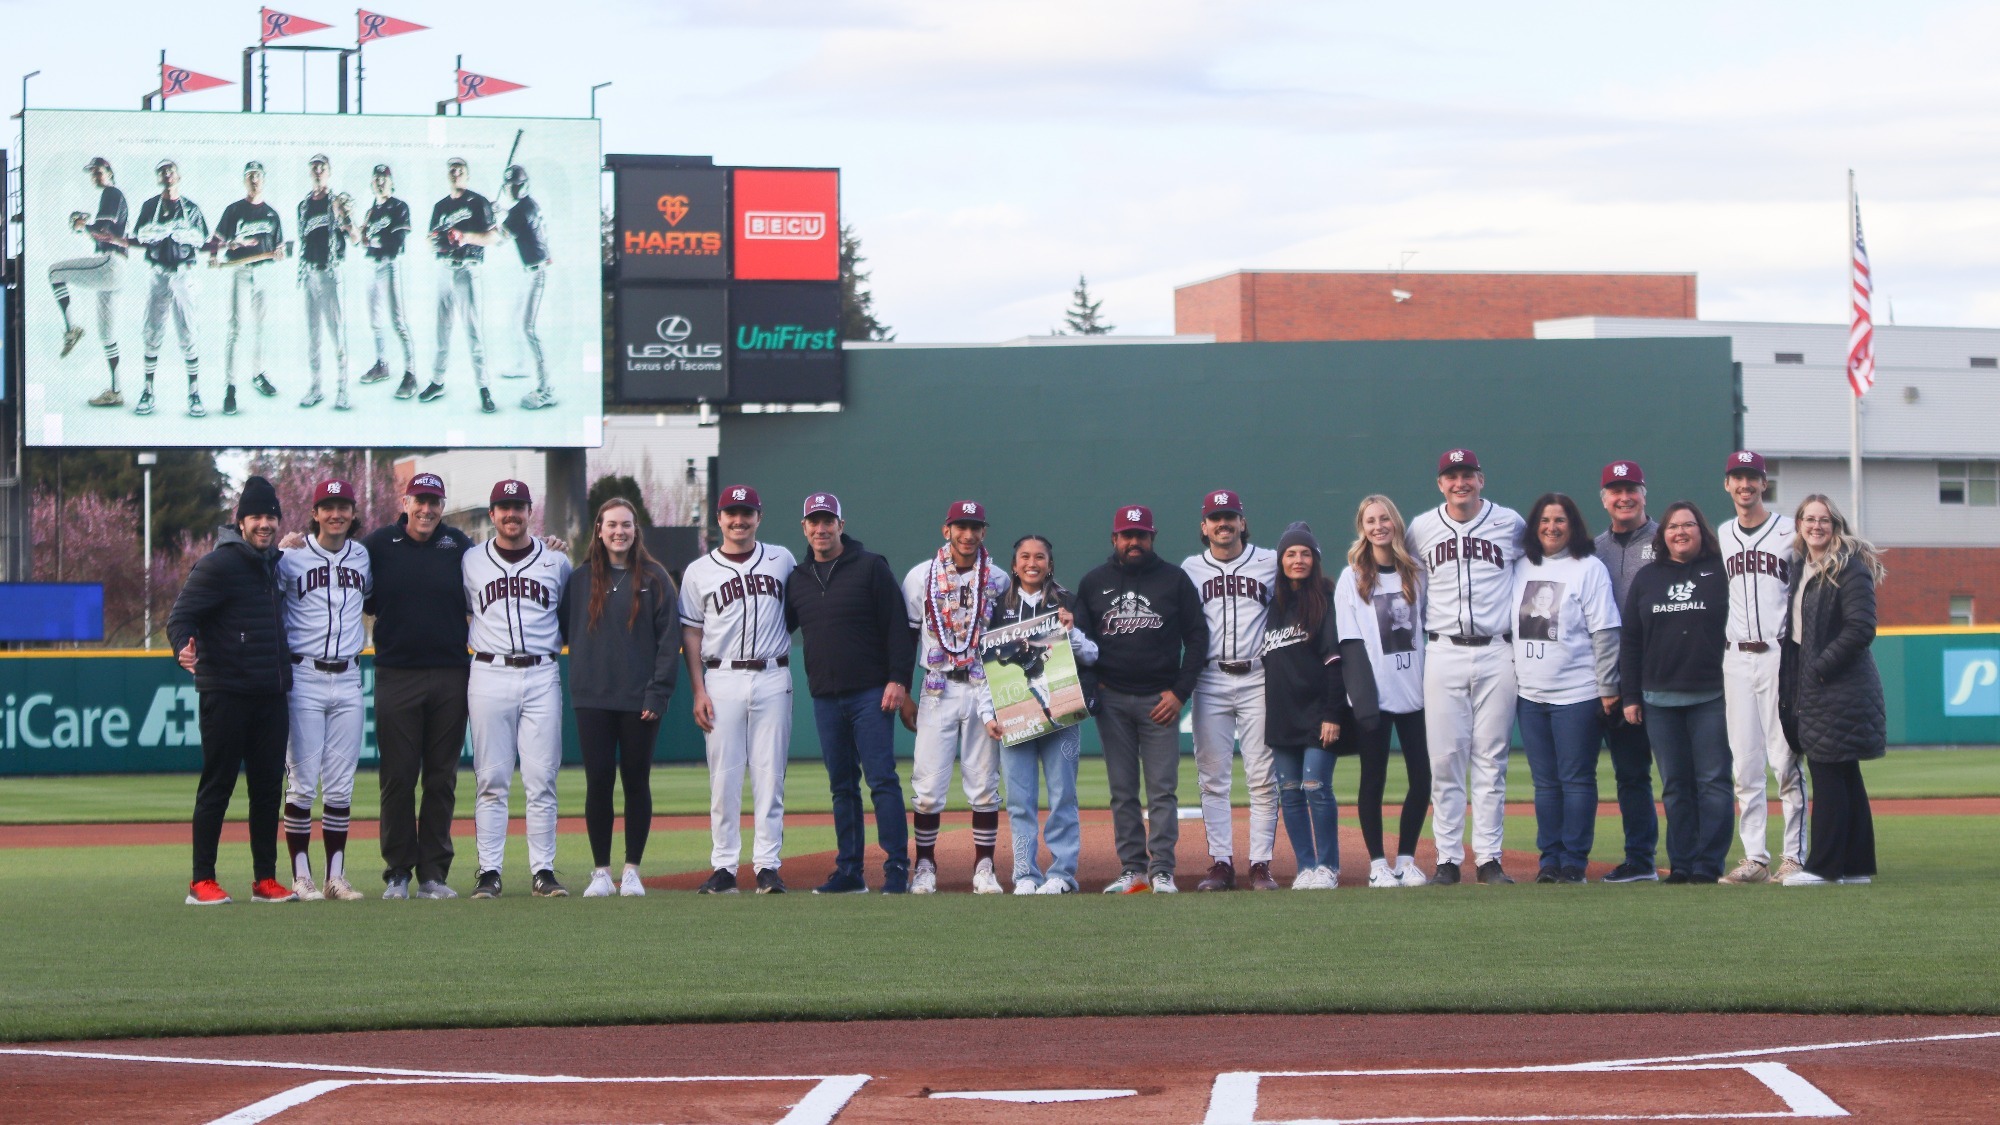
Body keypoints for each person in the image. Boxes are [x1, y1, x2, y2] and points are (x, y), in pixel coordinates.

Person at [168, 476, 297, 905]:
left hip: (271, 692)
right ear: (240, 522)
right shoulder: (218, 564)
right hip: (226, 691)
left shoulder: (275, 561)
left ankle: (265, 880)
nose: (264, 524)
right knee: (217, 787)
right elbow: (180, 618)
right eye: (256, 516)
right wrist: (182, 649)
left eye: (270, 516)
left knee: (266, 791)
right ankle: (200, 880)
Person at [1405, 448, 1526, 885]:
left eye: (1468, 475)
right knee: (1445, 760)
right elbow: (1411, 589)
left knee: (1492, 760)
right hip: (1442, 649)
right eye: (1452, 476)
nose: (1461, 483)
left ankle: (1490, 857)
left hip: (1497, 650)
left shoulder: (1511, 523)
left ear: (1482, 479)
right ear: (1440, 484)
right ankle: (1448, 859)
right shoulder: (1421, 528)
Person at [784, 492, 914, 895]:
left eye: (828, 521)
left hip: (871, 694)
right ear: (804, 527)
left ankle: (895, 870)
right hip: (825, 696)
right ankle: (850, 871)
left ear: (841, 524)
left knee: (881, 781)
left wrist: (899, 680)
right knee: (841, 785)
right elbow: (781, 626)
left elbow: (898, 626)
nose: (820, 529)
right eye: (813, 522)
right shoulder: (798, 579)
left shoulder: (870, 566)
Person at [1075, 505, 1208, 894]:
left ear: (1152, 538)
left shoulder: (1174, 580)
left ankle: (1162, 869)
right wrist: (1094, 686)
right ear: (1114, 539)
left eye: (1141, 535)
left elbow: (1197, 639)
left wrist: (1180, 692)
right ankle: (1133, 868)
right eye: (1127, 535)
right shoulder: (1093, 582)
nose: (1134, 542)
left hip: (1159, 701)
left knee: (1162, 789)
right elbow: (1078, 643)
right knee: (1122, 790)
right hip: (1113, 700)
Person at [363, 471, 475, 900]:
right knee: (398, 776)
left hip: (450, 672)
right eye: (420, 500)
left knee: (441, 778)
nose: (427, 509)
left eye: (435, 501)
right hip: (397, 674)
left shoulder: (460, 546)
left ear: (442, 505)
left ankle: (433, 874)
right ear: (405, 501)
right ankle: (397, 872)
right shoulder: (377, 545)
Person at [680, 485, 797, 894]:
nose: (739, 520)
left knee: (770, 777)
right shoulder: (699, 571)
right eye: (732, 513)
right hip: (722, 676)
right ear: (719, 519)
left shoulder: (782, 559)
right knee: (724, 778)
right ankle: (725, 866)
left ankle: (767, 866)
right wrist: (698, 689)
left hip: (772, 673)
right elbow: (691, 632)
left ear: (758, 517)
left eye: (746, 513)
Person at [559, 497, 679, 898]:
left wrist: (657, 692)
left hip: (639, 698)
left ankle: (631, 870)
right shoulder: (577, 580)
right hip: (592, 696)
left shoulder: (656, 577)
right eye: (611, 524)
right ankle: (600, 872)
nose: (619, 531)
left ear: (635, 530)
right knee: (597, 782)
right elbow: (562, 628)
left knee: (635, 781)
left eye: (626, 525)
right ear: (599, 529)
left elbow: (668, 642)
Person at [463, 480, 575, 899]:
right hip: (489, 671)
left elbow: (569, 617)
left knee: (541, 778)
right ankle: (489, 871)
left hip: (541, 672)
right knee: (491, 778)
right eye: (503, 507)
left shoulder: (555, 562)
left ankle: (543, 870)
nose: (511, 514)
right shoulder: (471, 561)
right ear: (492, 514)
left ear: (531, 512)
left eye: (518, 507)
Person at [900, 500, 1013, 895]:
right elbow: (907, 637)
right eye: (960, 526)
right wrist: (904, 691)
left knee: (983, 784)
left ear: (984, 532)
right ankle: (926, 866)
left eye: (975, 527)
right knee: (928, 787)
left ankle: (984, 867)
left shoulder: (998, 578)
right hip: (937, 687)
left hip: (983, 686)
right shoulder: (920, 577)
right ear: (945, 530)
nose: (968, 534)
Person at [1619, 501, 1732, 884]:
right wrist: (1631, 696)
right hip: (1659, 698)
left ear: (1702, 531)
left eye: (1688, 525)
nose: (1680, 532)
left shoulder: (1721, 572)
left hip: (1711, 694)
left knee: (1714, 782)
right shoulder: (1647, 577)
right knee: (1675, 785)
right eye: (1672, 527)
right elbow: (1631, 641)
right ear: (1662, 535)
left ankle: (1708, 864)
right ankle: (1682, 863)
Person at [1511, 493, 1621, 884]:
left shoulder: (1588, 568)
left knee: (1575, 780)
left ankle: (1574, 861)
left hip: (1577, 693)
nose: (1551, 527)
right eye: (1544, 520)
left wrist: (1608, 686)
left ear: (1572, 525)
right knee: (1545, 783)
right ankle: (1549, 860)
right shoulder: (1521, 566)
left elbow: (1605, 631)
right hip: (1530, 694)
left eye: (1559, 520)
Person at [1780, 495, 1885, 887]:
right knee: (1844, 774)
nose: (1816, 526)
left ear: (1836, 525)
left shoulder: (1849, 569)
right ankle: (1856, 867)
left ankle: (1824, 868)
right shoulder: (1799, 566)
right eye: (1809, 519)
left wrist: (1820, 669)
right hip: (1818, 683)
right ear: (1800, 524)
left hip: (1839, 686)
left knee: (1827, 772)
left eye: (1824, 520)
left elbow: (1861, 629)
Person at [985, 534, 1098, 895]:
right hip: (1014, 713)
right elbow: (983, 663)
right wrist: (988, 713)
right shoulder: (997, 607)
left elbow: (1093, 654)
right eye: (1024, 557)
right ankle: (1025, 875)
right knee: (1019, 799)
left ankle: (1062, 874)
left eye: (1039, 557)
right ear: (1014, 563)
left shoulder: (1067, 601)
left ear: (1050, 563)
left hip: (1061, 711)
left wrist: (1071, 630)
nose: (1031, 563)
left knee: (1063, 794)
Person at [276, 479, 371, 902]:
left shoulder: (363, 556)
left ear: (353, 513)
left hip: (349, 677)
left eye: (343, 506)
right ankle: (301, 876)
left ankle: (336, 876)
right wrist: (277, 550)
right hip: (305, 677)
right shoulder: (291, 557)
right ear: (314, 513)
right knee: (301, 784)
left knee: (340, 786)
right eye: (327, 506)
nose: (336, 514)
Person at [1182, 489, 1282, 892]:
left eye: (1230, 516)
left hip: (1259, 675)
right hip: (1210, 678)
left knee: (1263, 776)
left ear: (1242, 522)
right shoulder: (1190, 569)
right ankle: (1221, 861)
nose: (1223, 523)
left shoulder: (1271, 562)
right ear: (1203, 527)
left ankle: (1261, 863)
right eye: (1215, 517)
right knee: (1212, 778)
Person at [1718, 450, 1808, 884]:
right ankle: (1755, 856)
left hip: (1777, 655)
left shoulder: (1791, 531)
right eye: (1737, 477)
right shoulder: (1722, 534)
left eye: (1752, 477)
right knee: (1745, 764)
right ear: (1727, 485)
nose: (1745, 485)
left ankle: (1795, 856)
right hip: (1735, 656)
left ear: (1764, 484)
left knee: (1785, 761)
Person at [1333, 495, 1432, 888]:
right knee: (1372, 780)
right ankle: (1377, 864)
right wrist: (1362, 700)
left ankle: (1406, 859)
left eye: (1385, 518)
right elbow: (1350, 641)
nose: (1379, 526)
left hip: (1418, 694)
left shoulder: (1417, 571)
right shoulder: (1351, 576)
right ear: (1362, 528)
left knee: (1422, 778)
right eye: (1371, 520)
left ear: (1396, 522)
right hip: (1375, 697)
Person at [1259, 523, 1346, 889]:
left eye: (1305, 553)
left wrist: (1332, 714)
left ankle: (1328, 866)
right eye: (1291, 554)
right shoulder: (1273, 604)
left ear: (1316, 559)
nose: (1298, 560)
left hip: (1317, 711)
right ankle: (1306, 867)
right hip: (1281, 710)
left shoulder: (1325, 598)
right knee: (1289, 790)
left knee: (1315, 785)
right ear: (1281, 560)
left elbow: (1335, 662)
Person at [1593, 460, 1662, 883]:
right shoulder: (1592, 548)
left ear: (1643, 492)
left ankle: (1698, 859)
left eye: (1631, 488)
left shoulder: (1667, 538)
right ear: (1604, 498)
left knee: (1683, 774)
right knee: (1631, 775)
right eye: (1615, 490)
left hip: (1662, 674)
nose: (1624, 497)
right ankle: (1641, 860)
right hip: (1613, 679)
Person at [130, 158, 208, 418]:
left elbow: (201, 238)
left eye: (171, 170)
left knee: (188, 333)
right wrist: (165, 231)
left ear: (178, 175)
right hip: (159, 273)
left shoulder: (191, 208)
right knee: (152, 331)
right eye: (162, 170)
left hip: (184, 274)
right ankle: (148, 390)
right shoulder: (150, 205)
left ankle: (194, 392)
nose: (167, 174)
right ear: (158, 177)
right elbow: (140, 235)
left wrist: (176, 232)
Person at [51, 156, 129, 407]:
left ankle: (72, 328)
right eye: (93, 173)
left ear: (109, 171)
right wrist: (86, 225)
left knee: (54, 273)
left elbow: (103, 233)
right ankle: (116, 390)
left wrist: (83, 224)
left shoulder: (111, 192)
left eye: (98, 171)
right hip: (114, 270)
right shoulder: (111, 196)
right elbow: (103, 232)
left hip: (110, 265)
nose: (95, 176)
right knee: (107, 336)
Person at [209, 161, 284, 417]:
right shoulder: (234, 210)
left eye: (258, 176)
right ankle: (230, 387)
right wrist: (215, 253)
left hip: (263, 272)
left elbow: (279, 249)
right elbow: (215, 241)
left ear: (263, 180)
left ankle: (258, 373)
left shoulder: (273, 214)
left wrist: (280, 254)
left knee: (261, 327)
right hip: (240, 271)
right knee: (236, 327)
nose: (254, 180)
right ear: (245, 180)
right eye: (250, 176)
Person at [424, 156, 499, 411]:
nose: (455, 173)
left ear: (467, 175)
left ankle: (484, 388)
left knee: (473, 331)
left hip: (468, 269)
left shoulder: (478, 202)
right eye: (452, 169)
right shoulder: (440, 206)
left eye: (460, 169)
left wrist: (465, 236)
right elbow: (430, 238)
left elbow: (493, 236)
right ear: (448, 175)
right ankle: (437, 380)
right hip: (445, 268)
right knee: (441, 331)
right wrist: (435, 240)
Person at [497, 164, 556, 410]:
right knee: (515, 320)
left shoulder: (520, 211)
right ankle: (521, 365)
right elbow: (516, 217)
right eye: (511, 186)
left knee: (528, 328)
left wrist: (491, 217)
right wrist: (500, 210)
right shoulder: (528, 204)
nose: (512, 189)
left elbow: (500, 238)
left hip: (536, 273)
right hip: (532, 271)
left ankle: (546, 389)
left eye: (514, 186)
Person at [295, 154, 353, 410]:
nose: (318, 171)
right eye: (314, 167)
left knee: (337, 334)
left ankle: (342, 388)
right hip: (310, 275)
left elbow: (354, 236)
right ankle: (316, 387)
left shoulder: (337, 201)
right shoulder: (304, 206)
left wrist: (346, 216)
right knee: (313, 336)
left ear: (328, 171)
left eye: (322, 167)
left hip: (330, 273)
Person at [360, 164, 416, 393]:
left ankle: (411, 373)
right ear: (372, 183)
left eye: (384, 178)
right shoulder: (370, 212)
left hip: (390, 264)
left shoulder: (399, 207)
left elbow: (397, 242)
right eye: (377, 179)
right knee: (375, 320)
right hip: (372, 266)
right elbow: (362, 239)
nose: (380, 182)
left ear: (391, 182)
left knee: (397, 321)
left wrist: (371, 242)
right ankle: (382, 364)